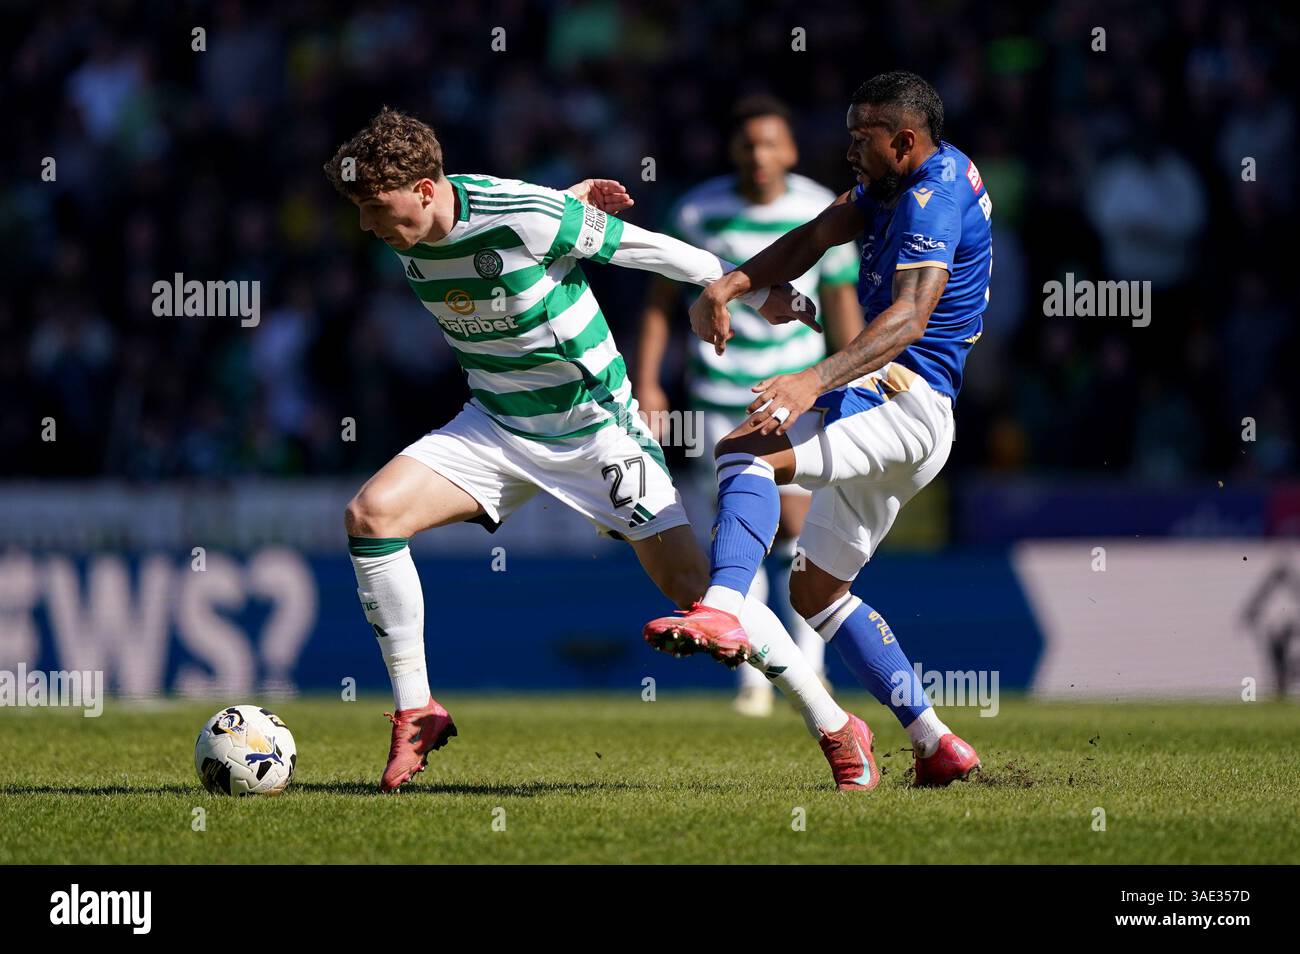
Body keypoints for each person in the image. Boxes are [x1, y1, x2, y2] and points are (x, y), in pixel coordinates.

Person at [323, 107, 878, 793]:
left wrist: (753, 290)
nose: (367, 225)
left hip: (597, 429)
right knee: (371, 516)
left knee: (701, 594)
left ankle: (835, 725)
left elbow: (651, 249)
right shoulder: (415, 223)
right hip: (497, 426)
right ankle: (417, 711)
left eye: (375, 208)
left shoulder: (518, 212)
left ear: (427, 189)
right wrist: (567, 203)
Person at [645, 72, 989, 786]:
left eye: (863, 139)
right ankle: (934, 742)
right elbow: (814, 236)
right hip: (913, 417)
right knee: (816, 592)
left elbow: (908, 319)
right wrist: (731, 285)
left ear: (904, 140)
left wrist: (811, 379)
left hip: (902, 397)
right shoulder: (898, 183)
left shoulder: (934, 195)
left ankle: (723, 609)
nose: (850, 151)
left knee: (744, 450)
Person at [635, 95, 863, 717]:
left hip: (797, 389)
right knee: (743, 530)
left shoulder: (820, 209)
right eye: (747, 144)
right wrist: (648, 381)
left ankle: (805, 668)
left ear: (790, 150)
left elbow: (841, 302)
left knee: (796, 527)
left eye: (770, 143)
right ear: (732, 151)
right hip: (718, 391)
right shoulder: (696, 209)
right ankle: (756, 679)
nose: (759, 155)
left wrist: (849, 377)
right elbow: (660, 301)